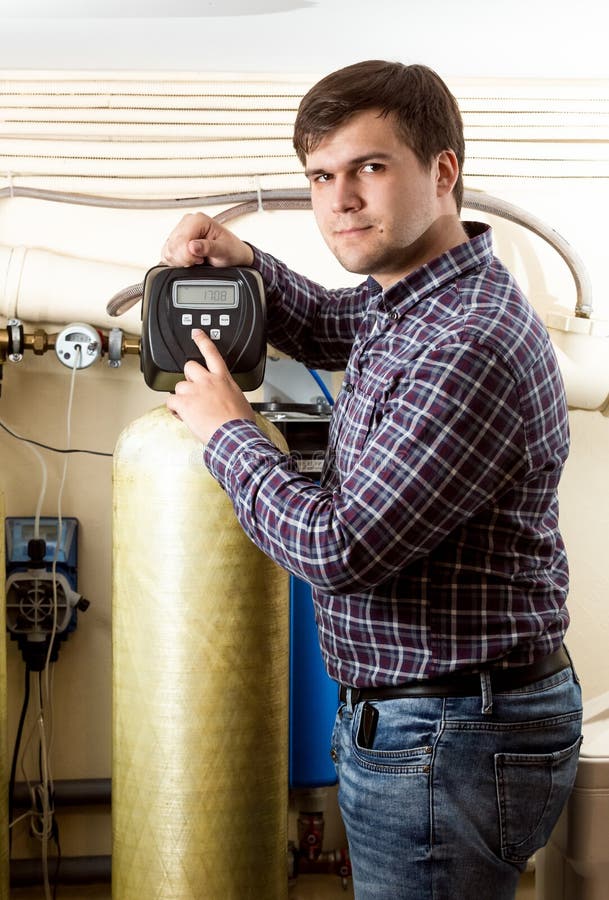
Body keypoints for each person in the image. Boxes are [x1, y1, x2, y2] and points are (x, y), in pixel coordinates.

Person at [163, 60, 583, 900]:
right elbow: (330, 322)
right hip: (441, 718)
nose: (340, 200)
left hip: (446, 731)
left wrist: (228, 431)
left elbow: (339, 548)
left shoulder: (465, 343)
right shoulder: (420, 298)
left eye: (369, 167)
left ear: (442, 170)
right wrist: (247, 264)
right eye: (320, 176)